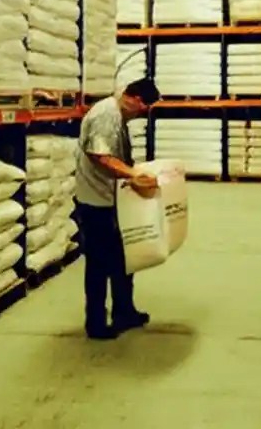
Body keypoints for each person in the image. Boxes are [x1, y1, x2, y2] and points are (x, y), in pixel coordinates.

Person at [74, 77, 162, 340]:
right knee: (100, 264)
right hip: (97, 202)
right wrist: (132, 174)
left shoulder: (117, 116)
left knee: (124, 259)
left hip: (113, 200)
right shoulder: (106, 115)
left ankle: (125, 312)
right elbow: (99, 155)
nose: (142, 113)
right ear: (133, 98)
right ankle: (96, 323)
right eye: (143, 107)